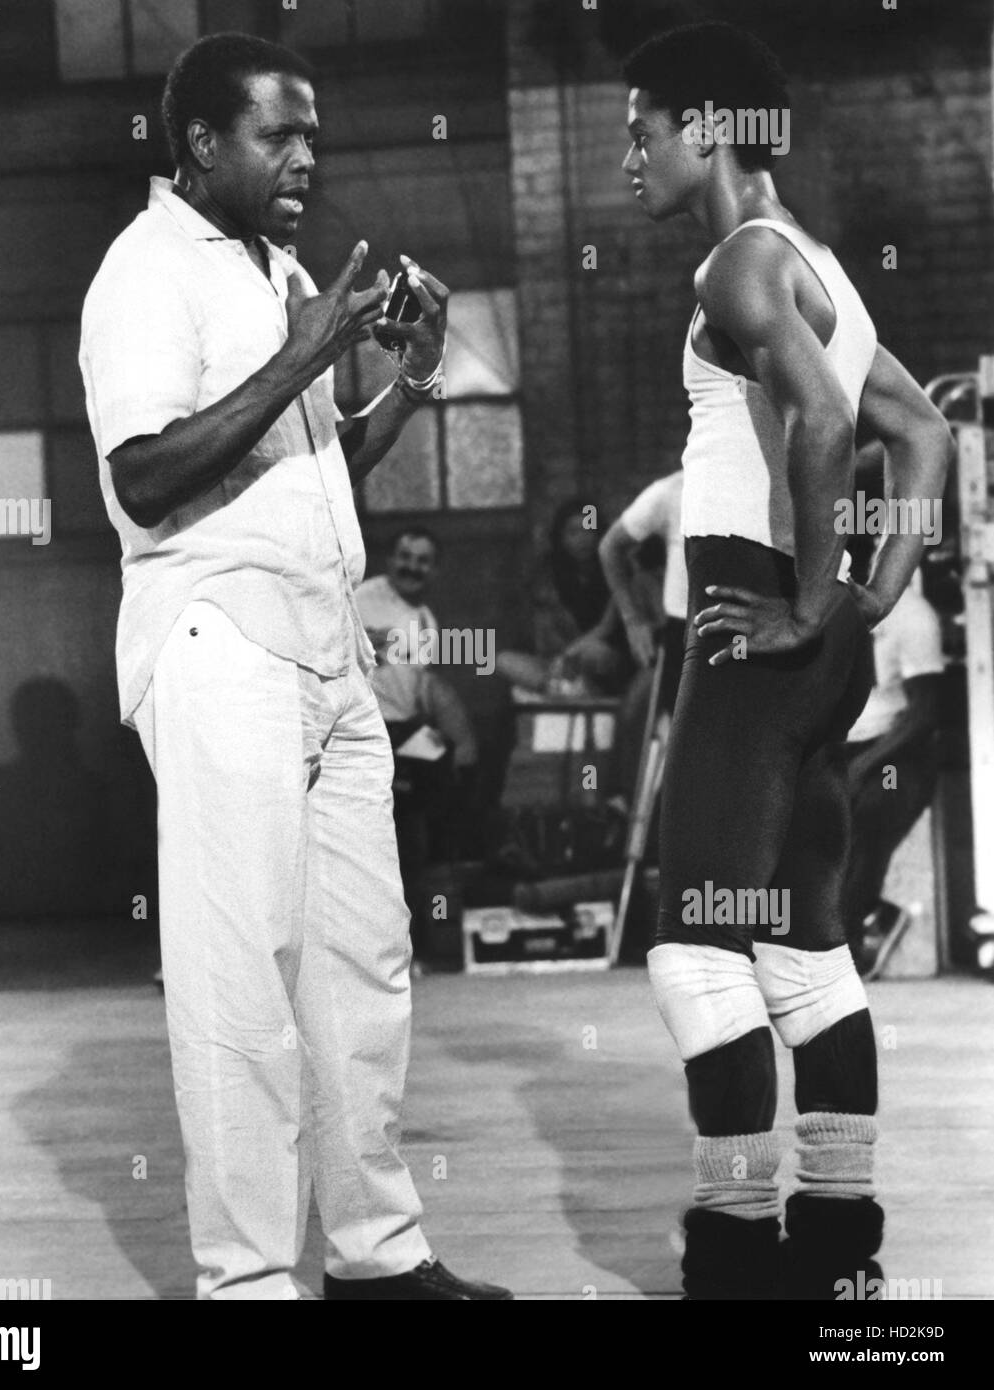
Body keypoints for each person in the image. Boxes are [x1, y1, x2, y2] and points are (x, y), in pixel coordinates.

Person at [79, 32, 511, 1301]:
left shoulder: (282, 268)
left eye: (313, 133)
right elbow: (144, 478)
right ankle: (250, 1279)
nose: (306, 157)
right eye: (279, 134)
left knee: (362, 972)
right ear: (202, 144)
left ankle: (377, 1258)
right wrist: (309, 352)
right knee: (240, 985)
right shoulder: (144, 273)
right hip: (220, 651)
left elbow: (317, 475)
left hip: (326, 658)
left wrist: (412, 372)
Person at [621, 21, 952, 1299]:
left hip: (757, 632)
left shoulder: (738, 268)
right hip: (813, 654)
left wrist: (815, 599)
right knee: (803, 953)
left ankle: (738, 1275)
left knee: (697, 951)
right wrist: (877, 586)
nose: (628, 157)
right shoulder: (815, 265)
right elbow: (918, 436)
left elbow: (824, 420)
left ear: (705, 128)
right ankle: (834, 1259)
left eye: (640, 130)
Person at [356, 528, 479, 953]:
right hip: (364, 729)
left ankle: (426, 942)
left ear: (434, 569)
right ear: (391, 558)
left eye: (422, 560)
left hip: (407, 731)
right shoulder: (361, 598)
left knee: (434, 806)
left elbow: (422, 687)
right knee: (383, 838)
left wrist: (457, 742)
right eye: (405, 556)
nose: (412, 566)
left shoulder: (425, 618)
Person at [843, 549, 944, 973]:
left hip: (893, 753)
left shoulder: (912, 615)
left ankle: (849, 939)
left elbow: (925, 712)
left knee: (871, 804)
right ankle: (870, 915)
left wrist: (863, 767)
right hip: (839, 747)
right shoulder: (819, 610)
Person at [497, 498, 626, 697]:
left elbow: (606, 627)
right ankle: (561, 689)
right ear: (561, 537)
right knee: (503, 660)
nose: (583, 539)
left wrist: (570, 654)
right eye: (573, 532)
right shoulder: (548, 576)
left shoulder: (613, 572)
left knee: (596, 653)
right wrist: (559, 661)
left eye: (589, 530)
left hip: (595, 659)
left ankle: (576, 690)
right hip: (556, 664)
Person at [600, 468, 688, 716]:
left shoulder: (765, 482)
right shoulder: (672, 490)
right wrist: (633, 621)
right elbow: (610, 547)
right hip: (678, 637)